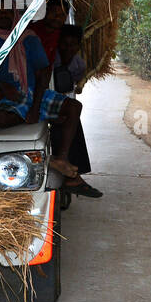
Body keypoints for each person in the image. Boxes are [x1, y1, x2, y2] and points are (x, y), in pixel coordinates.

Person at [0, 4, 82, 179]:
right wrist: (2, 85)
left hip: (30, 93)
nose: (2, 15)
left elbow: (43, 73)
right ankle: (45, 150)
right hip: (3, 96)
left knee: (74, 107)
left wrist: (35, 108)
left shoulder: (28, 38)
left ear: (15, 13)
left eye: (7, 11)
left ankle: (61, 158)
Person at [52, 24, 102, 199]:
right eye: (64, 44)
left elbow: (72, 87)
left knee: (70, 118)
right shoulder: (51, 58)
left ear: (78, 46)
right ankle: (72, 174)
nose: (68, 48)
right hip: (44, 98)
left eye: (72, 45)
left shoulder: (78, 64)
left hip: (56, 99)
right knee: (69, 116)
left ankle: (72, 172)